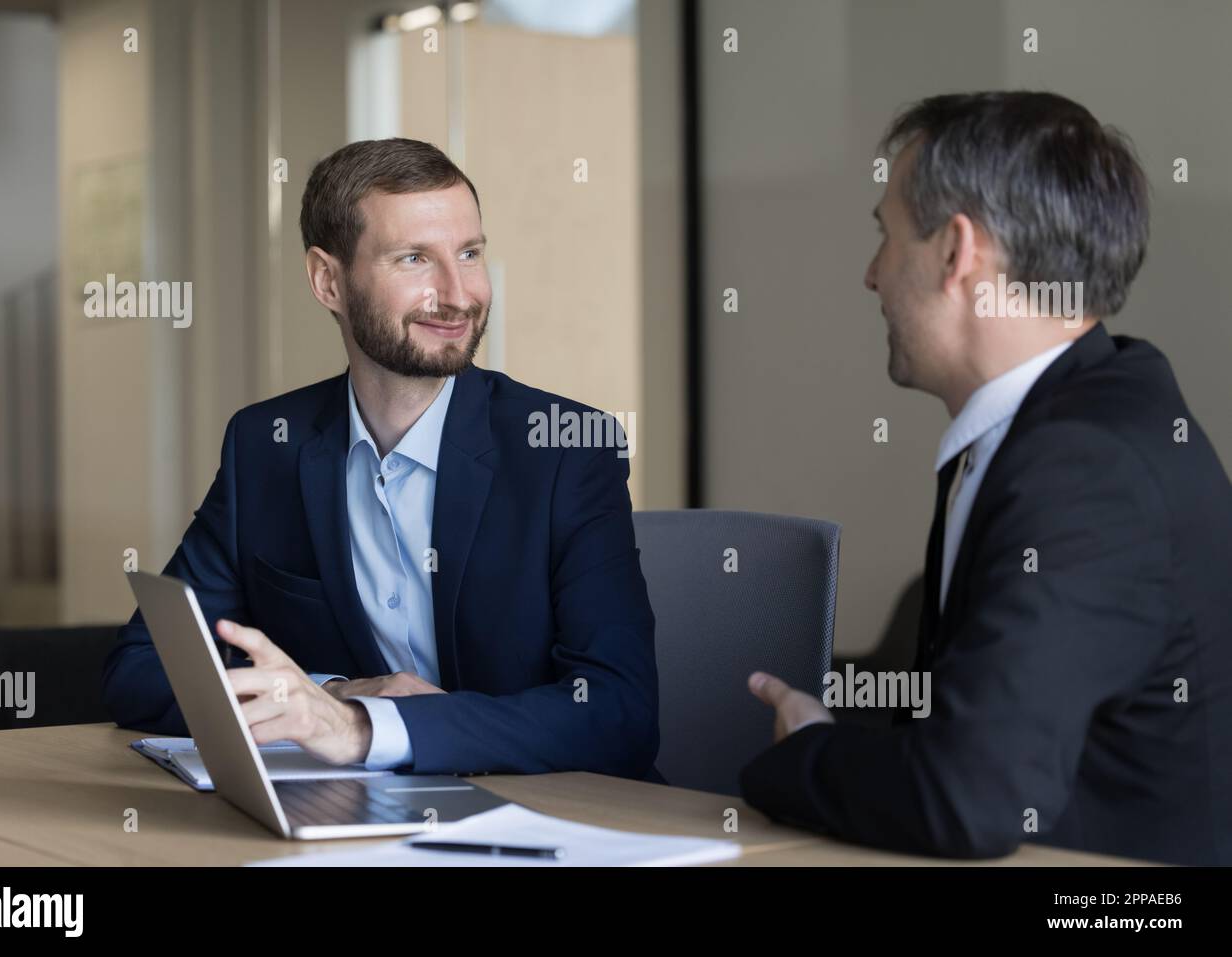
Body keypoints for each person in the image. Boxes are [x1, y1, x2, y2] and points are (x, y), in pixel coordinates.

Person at [741, 92, 1232, 864]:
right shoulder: (1083, 416)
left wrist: (805, 752)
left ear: (956, 251)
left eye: (886, 234)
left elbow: (969, 794)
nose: (872, 274)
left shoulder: (1084, 467)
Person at [103, 138, 659, 779]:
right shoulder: (266, 445)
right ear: (328, 281)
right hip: (352, 812)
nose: (458, 294)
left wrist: (366, 729)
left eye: (470, 253)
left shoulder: (566, 448)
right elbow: (140, 670)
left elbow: (619, 713)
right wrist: (331, 699)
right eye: (415, 258)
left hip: (545, 811)